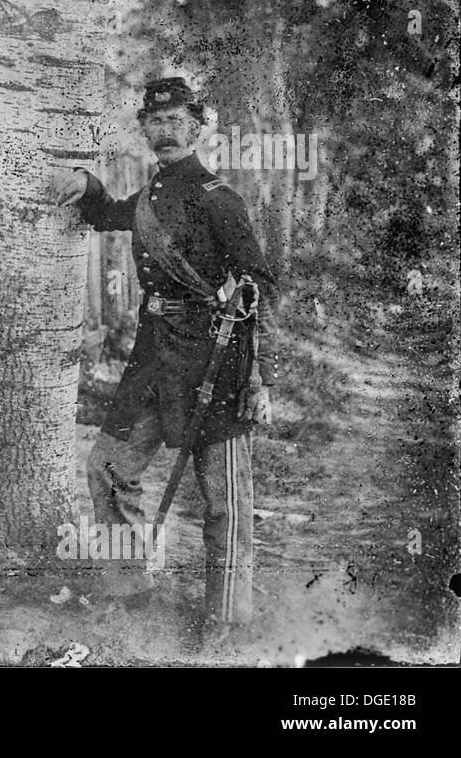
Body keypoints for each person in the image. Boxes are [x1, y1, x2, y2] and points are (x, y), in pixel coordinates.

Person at [50, 77, 279, 645]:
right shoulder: (151, 196)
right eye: (154, 122)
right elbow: (110, 214)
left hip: (213, 361)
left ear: (197, 128)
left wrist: (246, 291)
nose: (165, 131)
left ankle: (224, 617)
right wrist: (87, 183)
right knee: (106, 467)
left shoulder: (218, 197)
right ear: (144, 130)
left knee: (224, 500)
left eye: (177, 120)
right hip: (153, 359)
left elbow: (256, 274)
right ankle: (129, 591)